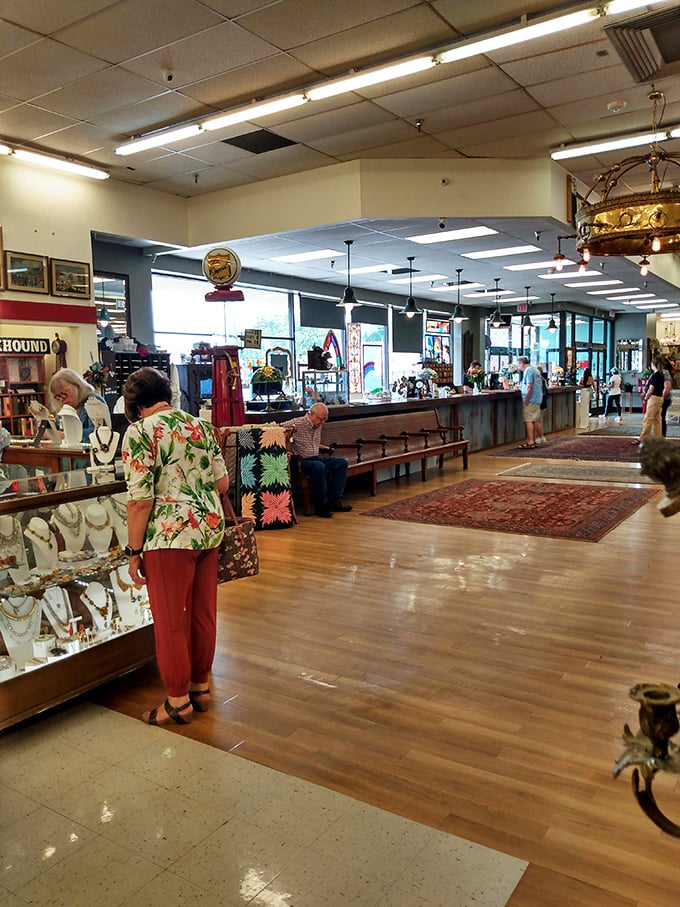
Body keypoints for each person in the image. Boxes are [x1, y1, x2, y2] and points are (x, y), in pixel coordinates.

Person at [121, 367, 229, 727]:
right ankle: (200, 687)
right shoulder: (201, 426)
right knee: (203, 613)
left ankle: (177, 701)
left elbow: (139, 502)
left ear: (135, 404)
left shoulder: (139, 432)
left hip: (169, 536)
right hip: (209, 529)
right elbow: (222, 483)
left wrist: (133, 551)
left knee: (170, 620)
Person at [282, 402, 351, 518]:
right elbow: (278, 428)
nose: (322, 422)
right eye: (321, 419)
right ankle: (321, 506)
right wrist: (288, 447)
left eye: (325, 419)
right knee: (319, 466)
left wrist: (320, 446)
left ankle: (334, 500)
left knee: (342, 463)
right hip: (300, 460)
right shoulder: (297, 423)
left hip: (314, 457)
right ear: (311, 414)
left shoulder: (317, 424)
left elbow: (309, 442)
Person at [48, 367, 107, 441]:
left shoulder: (94, 401)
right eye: (57, 396)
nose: (61, 399)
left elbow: (97, 434)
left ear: (77, 386)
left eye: (64, 393)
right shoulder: (65, 407)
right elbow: (55, 429)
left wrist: (64, 435)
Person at [634, 358, 665, 445]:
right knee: (657, 420)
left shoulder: (655, 375)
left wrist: (645, 398)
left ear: (653, 365)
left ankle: (642, 438)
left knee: (648, 419)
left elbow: (651, 389)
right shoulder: (661, 375)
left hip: (653, 398)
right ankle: (658, 439)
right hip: (659, 398)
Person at [516, 356, 543, 448]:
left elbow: (529, 386)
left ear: (521, 363)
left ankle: (531, 441)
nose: (518, 367)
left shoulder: (528, 371)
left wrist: (526, 399)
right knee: (534, 419)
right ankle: (534, 440)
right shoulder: (535, 370)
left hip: (531, 399)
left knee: (528, 420)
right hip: (537, 398)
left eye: (518, 364)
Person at [661, 358, 673, 437]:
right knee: (661, 418)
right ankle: (661, 435)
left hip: (664, 398)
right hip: (665, 398)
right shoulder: (667, 372)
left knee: (661, 418)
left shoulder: (665, 372)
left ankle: (661, 436)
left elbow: (667, 386)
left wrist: (662, 397)